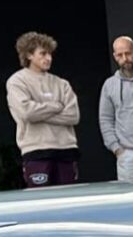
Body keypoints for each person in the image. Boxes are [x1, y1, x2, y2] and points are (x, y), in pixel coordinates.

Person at [6, 31, 80, 187]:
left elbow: (73, 116)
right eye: (43, 54)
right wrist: (56, 106)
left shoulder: (62, 83)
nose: (49, 58)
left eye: (50, 54)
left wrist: (40, 113)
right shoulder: (17, 81)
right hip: (36, 151)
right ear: (29, 55)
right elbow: (27, 113)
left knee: (69, 198)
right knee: (41, 198)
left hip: (66, 150)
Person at [98, 35, 133, 181]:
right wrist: (116, 148)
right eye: (120, 55)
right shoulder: (110, 85)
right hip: (126, 154)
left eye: (128, 53)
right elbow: (105, 119)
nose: (125, 58)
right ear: (115, 56)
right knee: (131, 194)